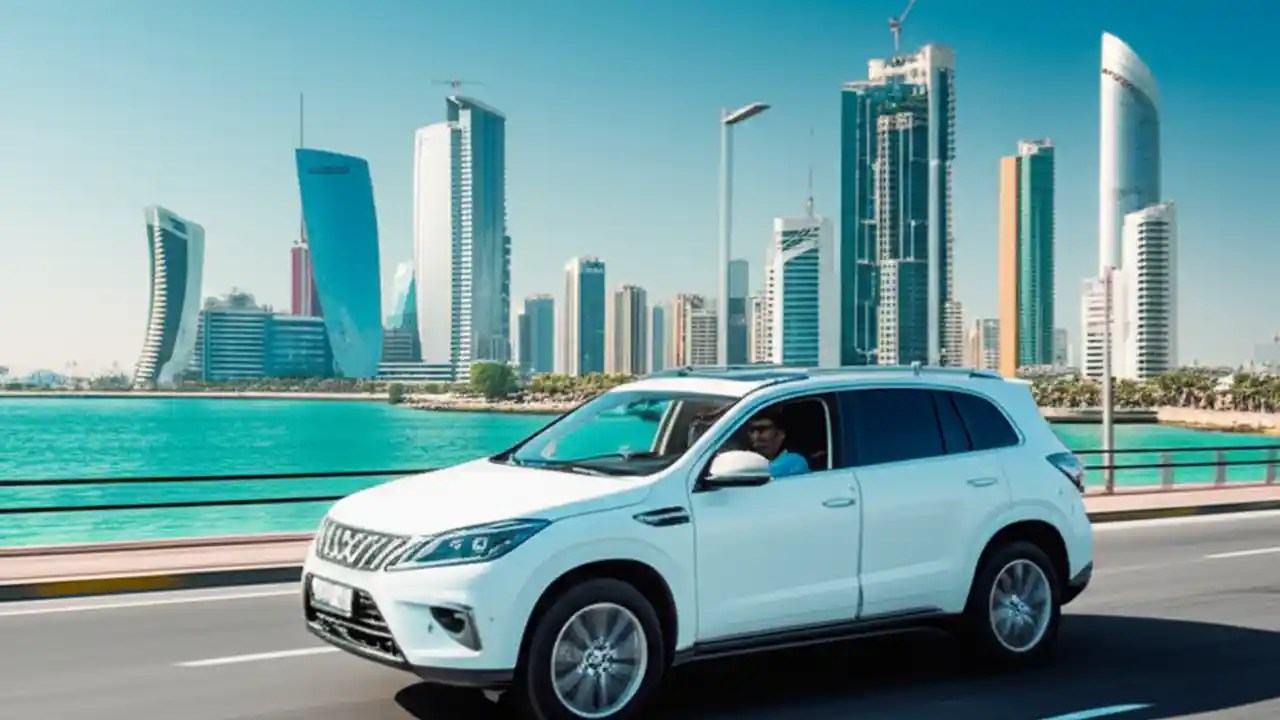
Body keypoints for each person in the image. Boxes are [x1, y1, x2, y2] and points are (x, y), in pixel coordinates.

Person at [746, 410, 809, 478]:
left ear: (781, 434)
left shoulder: (794, 461)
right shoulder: (752, 461)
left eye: (762, 429)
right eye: (752, 430)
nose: (755, 437)